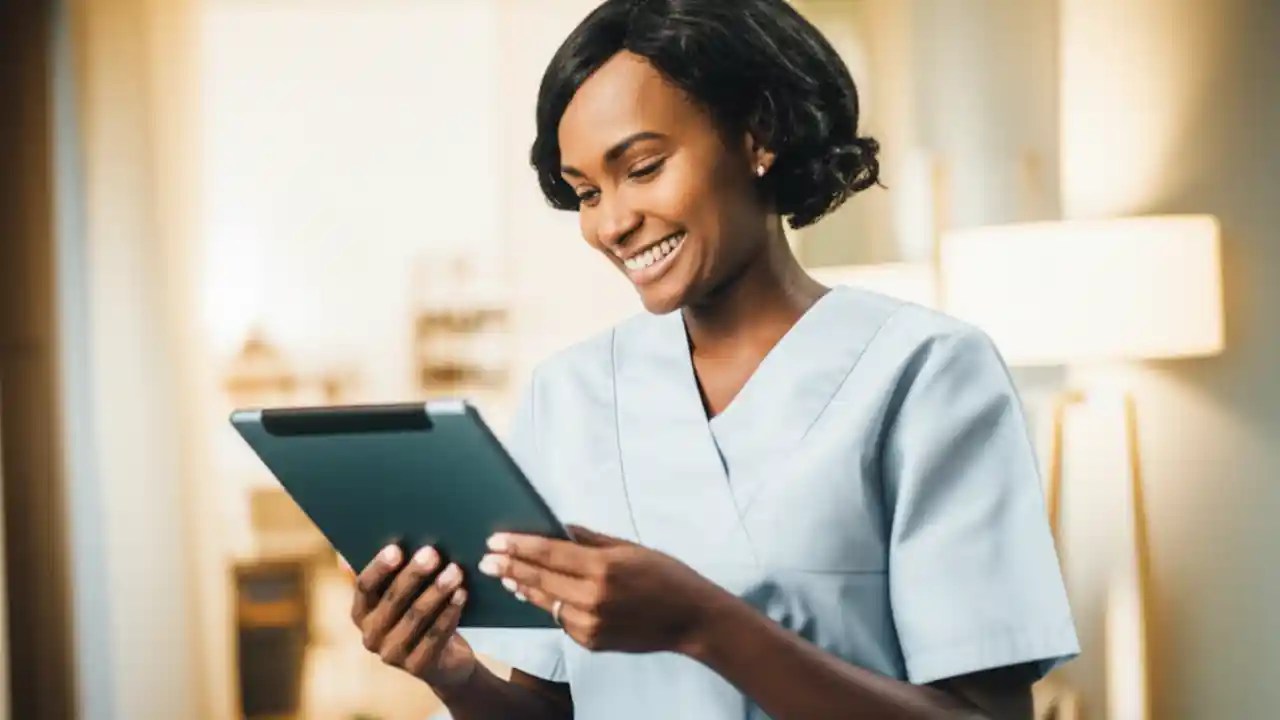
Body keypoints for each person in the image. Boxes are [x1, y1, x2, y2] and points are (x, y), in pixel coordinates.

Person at [347, 0, 1078, 717]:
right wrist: (455, 678)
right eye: (587, 193)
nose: (612, 223)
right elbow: (551, 708)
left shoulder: (926, 374)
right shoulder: (567, 395)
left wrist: (704, 624)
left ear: (758, 135)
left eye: (643, 167)